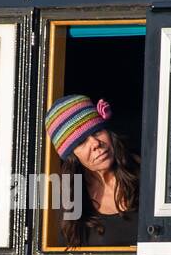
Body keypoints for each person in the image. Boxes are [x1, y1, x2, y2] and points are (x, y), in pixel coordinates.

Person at [44, 94, 140, 247]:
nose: (95, 143)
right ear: (71, 155)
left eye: (97, 132)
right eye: (81, 142)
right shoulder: (67, 197)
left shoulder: (145, 174)